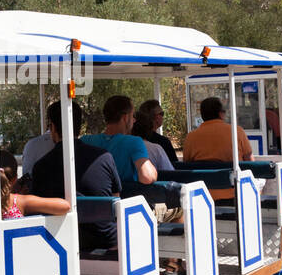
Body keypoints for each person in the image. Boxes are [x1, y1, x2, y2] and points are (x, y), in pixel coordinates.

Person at [31, 101, 121, 250]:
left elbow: (37, 209)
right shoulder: (103, 157)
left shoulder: (40, 166)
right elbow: (116, 199)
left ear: (52, 127)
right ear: (80, 125)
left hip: (61, 242)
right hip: (107, 241)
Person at [182, 96, 253, 199]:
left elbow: (186, 164)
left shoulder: (191, 137)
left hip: (202, 195)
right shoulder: (237, 132)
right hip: (234, 193)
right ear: (221, 114)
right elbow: (250, 162)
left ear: (202, 115)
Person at [132, 99, 178, 167]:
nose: (163, 117)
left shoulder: (131, 140)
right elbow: (175, 167)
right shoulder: (163, 142)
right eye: (162, 114)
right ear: (156, 117)